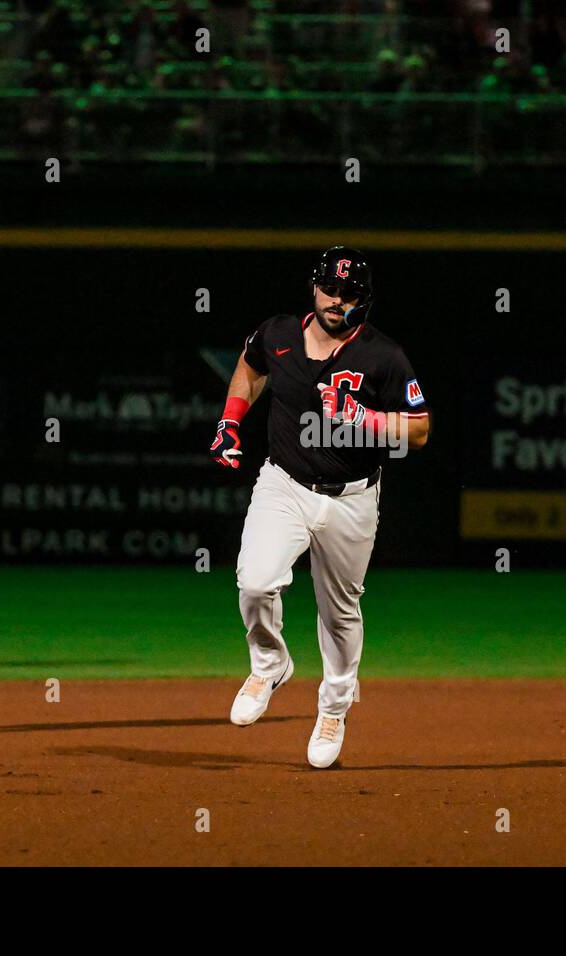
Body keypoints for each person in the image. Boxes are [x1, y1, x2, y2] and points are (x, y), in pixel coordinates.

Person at [210, 247, 431, 768]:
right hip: (283, 482)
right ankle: (270, 663)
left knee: (339, 612)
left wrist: (365, 418)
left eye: (350, 292)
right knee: (256, 581)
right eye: (330, 287)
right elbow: (249, 366)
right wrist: (230, 419)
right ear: (314, 288)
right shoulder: (279, 333)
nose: (338, 298)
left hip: (352, 497)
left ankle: (333, 709)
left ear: (365, 299)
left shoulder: (383, 356)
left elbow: (419, 430)